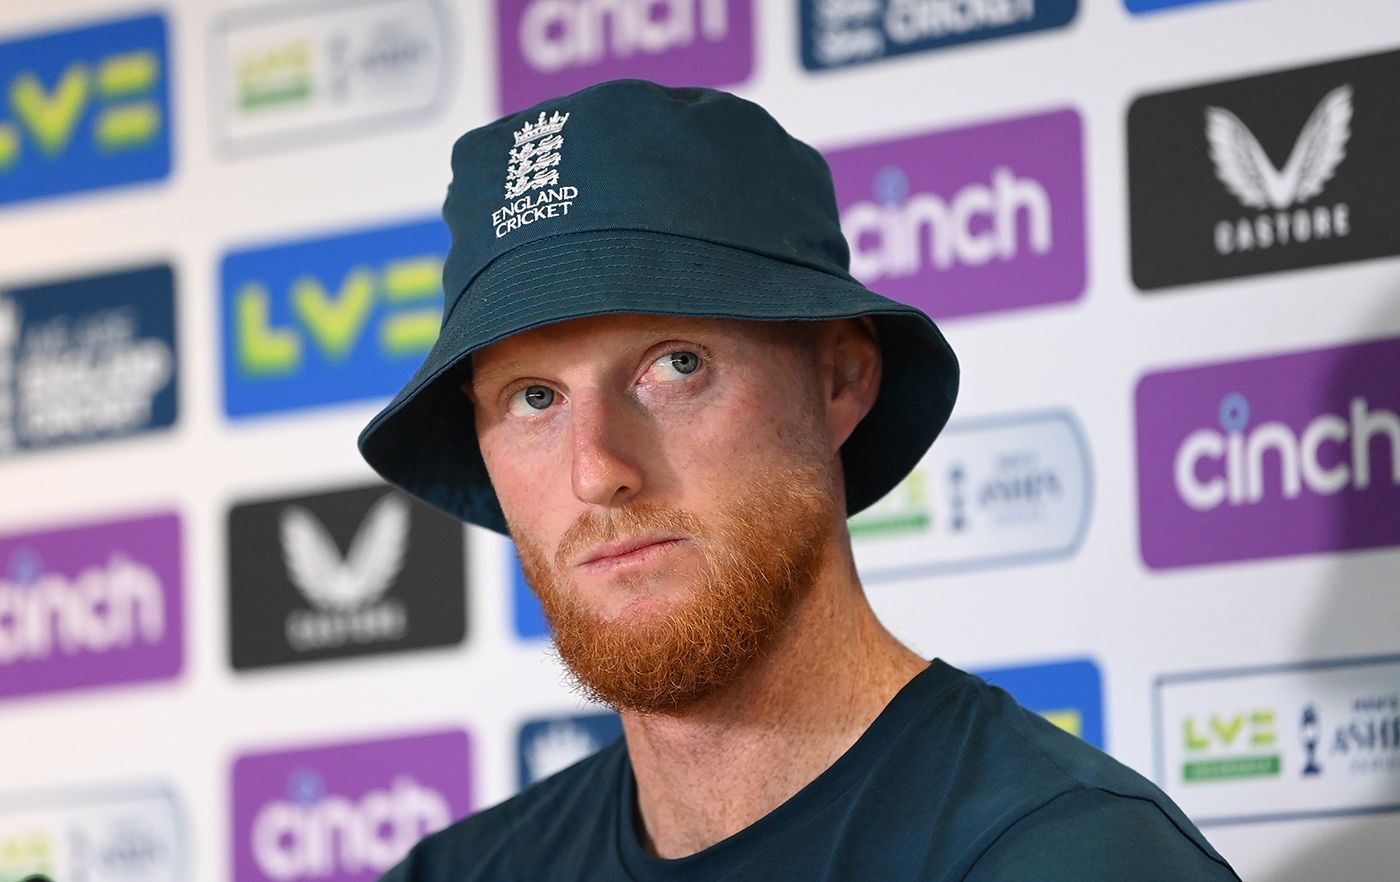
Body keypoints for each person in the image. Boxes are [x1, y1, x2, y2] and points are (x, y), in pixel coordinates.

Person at [358, 79, 1240, 881]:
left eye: (676, 364)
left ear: (840, 381)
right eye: (535, 396)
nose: (597, 471)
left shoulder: (1068, 860)